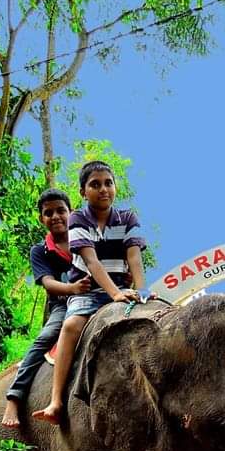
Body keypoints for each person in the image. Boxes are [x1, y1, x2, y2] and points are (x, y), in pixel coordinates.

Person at [32, 160, 147, 425]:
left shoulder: (128, 218)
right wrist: (114, 294)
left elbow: (134, 257)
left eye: (108, 183)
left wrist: (141, 290)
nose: (103, 189)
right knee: (71, 326)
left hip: (121, 289)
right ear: (83, 192)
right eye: (95, 185)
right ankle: (56, 400)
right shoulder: (78, 219)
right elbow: (91, 261)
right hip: (89, 293)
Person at [2, 188, 91, 427]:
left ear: (71, 212)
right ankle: (14, 397)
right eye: (48, 213)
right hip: (63, 305)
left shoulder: (86, 239)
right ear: (41, 218)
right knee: (46, 337)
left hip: (94, 298)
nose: (55, 216)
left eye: (61, 210)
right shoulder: (40, 251)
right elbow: (48, 283)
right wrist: (72, 289)